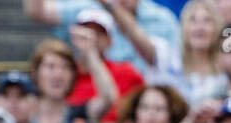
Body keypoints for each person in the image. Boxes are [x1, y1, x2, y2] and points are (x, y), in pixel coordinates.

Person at [21, 0, 180, 74]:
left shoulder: (163, 19)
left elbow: (175, 69)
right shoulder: (88, 9)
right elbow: (37, 12)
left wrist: (112, 7)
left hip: (148, 106)